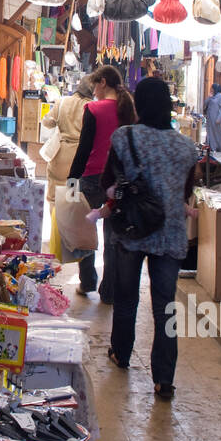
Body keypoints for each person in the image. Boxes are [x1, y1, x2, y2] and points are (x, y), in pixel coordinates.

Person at [100, 77, 199, 401]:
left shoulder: (125, 136)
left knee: (127, 299)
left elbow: (108, 181)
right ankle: (164, 380)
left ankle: (121, 353)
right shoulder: (186, 147)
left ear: (139, 104)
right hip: (170, 235)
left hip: (131, 230)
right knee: (165, 308)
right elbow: (186, 192)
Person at [68, 66, 137, 303]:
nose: (93, 92)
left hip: (91, 179)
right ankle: (109, 289)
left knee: (85, 232)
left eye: (95, 86)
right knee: (112, 236)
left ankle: (87, 281)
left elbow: (84, 148)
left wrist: (71, 178)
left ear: (103, 83)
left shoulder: (94, 109)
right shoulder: (127, 110)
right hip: (118, 181)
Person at [44, 77, 93, 261]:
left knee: (54, 199)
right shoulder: (91, 107)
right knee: (73, 199)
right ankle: (70, 241)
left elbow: (47, 122)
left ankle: (56, 238)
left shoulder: (62, 101)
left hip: (60, 154)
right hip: (80, 158)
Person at [203, 83, 221, 151]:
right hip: (210, 118)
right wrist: (209, 97)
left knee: (217, 133)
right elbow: (205, 103)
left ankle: (218, 147)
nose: (211, 89)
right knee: (210, 132)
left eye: (212, 88)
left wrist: (219, 118)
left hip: (216, 118)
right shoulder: (212, 96)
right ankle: (210, 146)